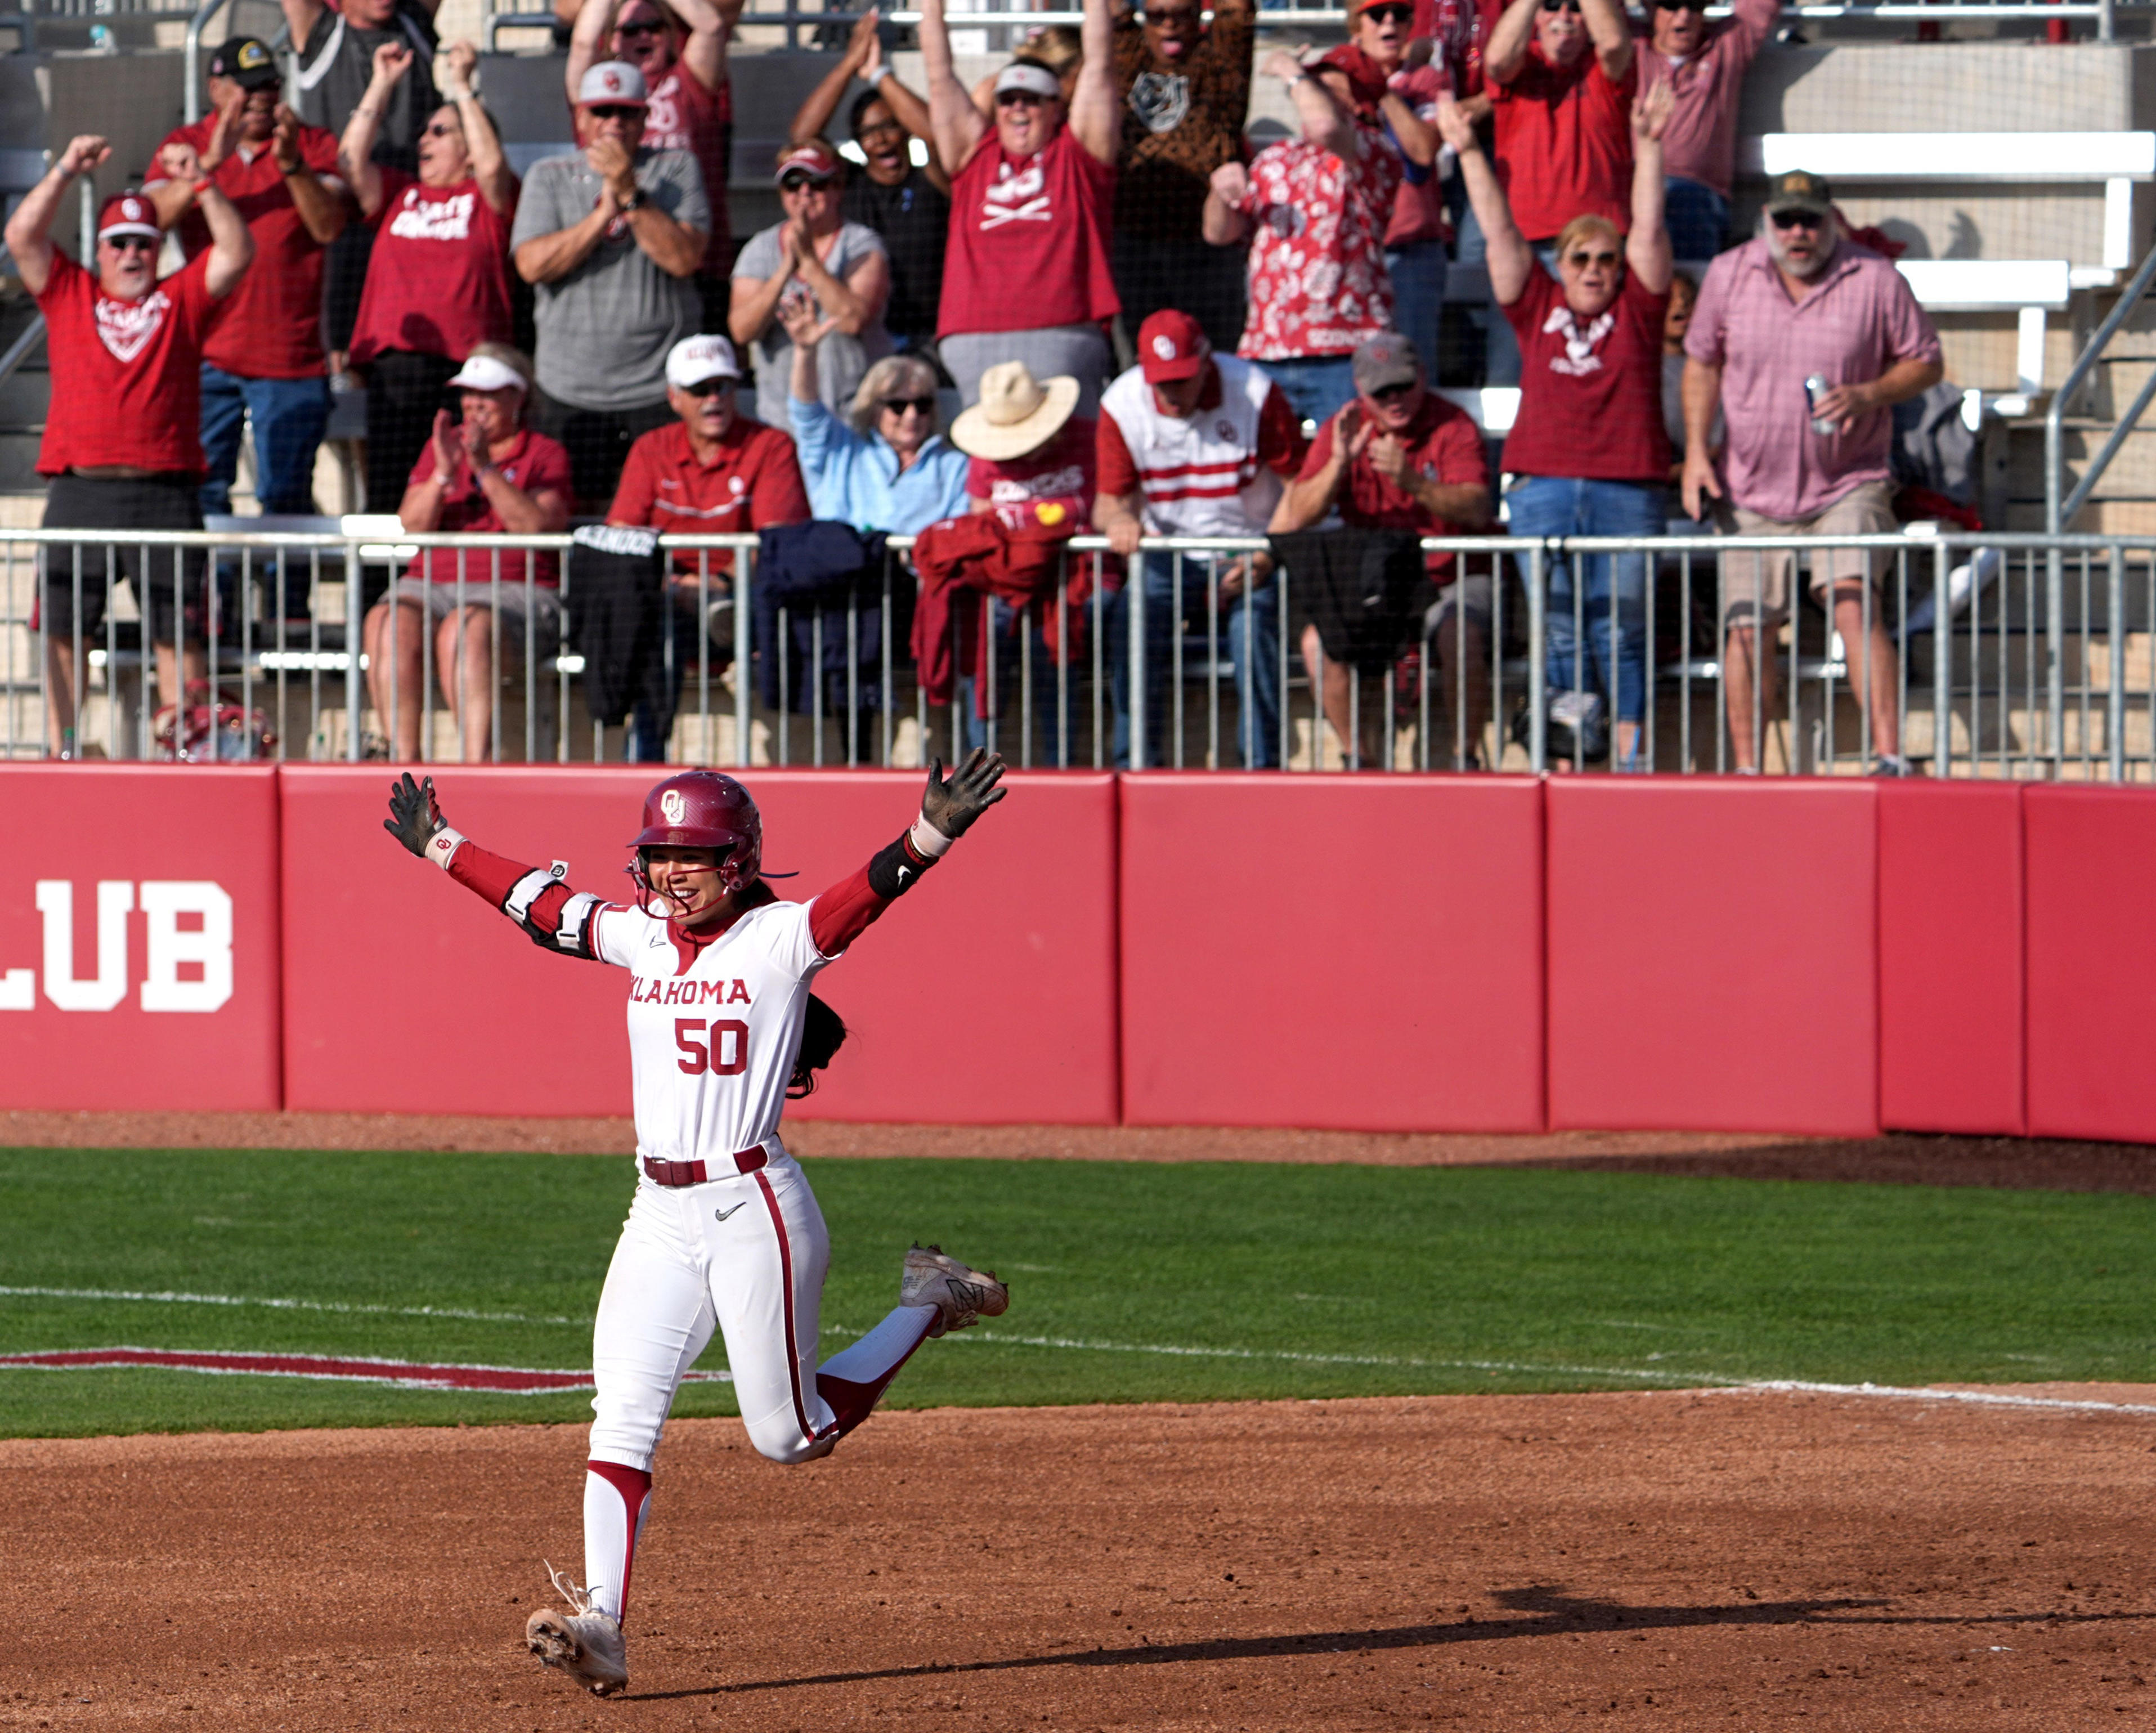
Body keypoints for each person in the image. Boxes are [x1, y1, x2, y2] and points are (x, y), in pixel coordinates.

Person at [380, 759, 1012, 1699]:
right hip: (658, 1212)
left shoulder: (778, 937)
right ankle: (601, 1625)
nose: (672, 872)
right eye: (660, 854)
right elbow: (543, 907)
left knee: (791, 1437)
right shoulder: (642, 935)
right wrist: (443, 845)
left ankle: (929, 1301)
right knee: (621, 1414)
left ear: (740, 857)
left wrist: (928, 835)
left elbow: (858, 899)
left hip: (755, 1208)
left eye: (694, 855)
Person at [1682, 169, 1944, 777]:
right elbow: (1701, 364)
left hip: (1848, 480)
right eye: (1786, 220)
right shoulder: (1728, 274)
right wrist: (1697, 450)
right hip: (1749, 486)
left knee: (1853, 603)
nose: (1798, 233)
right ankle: (1748, 770)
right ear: (1766, 221)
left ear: (1833, 221)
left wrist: (1869, 394)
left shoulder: (1876, 278)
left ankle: (1889, 756)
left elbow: (1926, 362)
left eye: (1810, 220)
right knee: (1747, 625)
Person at [1444, 81, 1674, 771]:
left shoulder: (1640, 307)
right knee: (1560, 631)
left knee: (1623, 631)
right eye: (1582, 258)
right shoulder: (1535, 299)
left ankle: (1630, 760)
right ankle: (1568, 759)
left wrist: (1649, 145)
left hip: (1627, 488)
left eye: (1607, 258)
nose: (1596, 270)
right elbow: (1499, 231)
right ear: (1562, 266)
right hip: (1541, 488)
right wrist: (1466, 153)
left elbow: (1652, 229)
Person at [6, 140, 253, 760]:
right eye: (119, 243)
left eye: (144, 242)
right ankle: (64, 748)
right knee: (63, 630)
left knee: (179, 632)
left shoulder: (182, 300)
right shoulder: (70, 292)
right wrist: (63, 170)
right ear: (100, 251)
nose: (132, 254)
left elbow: (236, 252)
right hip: (80, 488)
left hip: (164, 492)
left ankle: (186, 751)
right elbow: (22, 236)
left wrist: (202, 184)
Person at [145, 37, 347, 519]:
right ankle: (210, 596)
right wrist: (208, 165)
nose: (260, 98)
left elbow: (329, 227)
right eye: (247, 88)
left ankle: (285, 598)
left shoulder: (313, 143)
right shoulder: (187, 145)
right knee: (201, 490)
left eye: (270, 87)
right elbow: (149, 222)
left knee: (285, 497)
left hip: (289, 358)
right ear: (216, 89)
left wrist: (292, 164)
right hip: (205, 355)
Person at [1269, 332, 1491, 769]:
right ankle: (1359, 760)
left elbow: (1478, 508)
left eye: (1403, 386)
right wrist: (1338, 463)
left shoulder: (1454, 424)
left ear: (1422, 376)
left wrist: (1413, 482)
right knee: (1316, 644)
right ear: (1360, 389)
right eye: (1381, 391)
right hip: (1374, 585)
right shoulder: (1343, 428)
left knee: (1457, 631)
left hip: (1445, 577)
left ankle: (1465, 758)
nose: (1394, 400)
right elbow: (1297, 513)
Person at [1096, 308, 1305, 768]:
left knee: (1254, 630)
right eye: (1162, 381)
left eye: (1182, 378)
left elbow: (1299, 488)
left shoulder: (1254, 390)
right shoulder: (1121, 402)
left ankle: (1261, 768)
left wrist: (1269, 552)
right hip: (1168, 550)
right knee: (1132, 622)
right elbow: (1107, 502)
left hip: (1250, 544)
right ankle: (1135, 765)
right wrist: (1119, 521)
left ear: (1206, 361)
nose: (1172, 392)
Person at [513, 61, 711, 514]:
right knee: (570, 519)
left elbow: (683, 259)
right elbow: (532, 265)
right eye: (602, 112)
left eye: (626, 113)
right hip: (568, 389)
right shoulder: (549, 175)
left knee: (655, 518)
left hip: (655, 390)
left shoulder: (677, 170)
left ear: (645, 118)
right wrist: (603, 214)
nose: (613, 124)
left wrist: (629, 192)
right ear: (581, 117)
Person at [363, 344, 572, 763]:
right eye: (467, 394)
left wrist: (483, 468)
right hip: (432, 583)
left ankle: (476, 765)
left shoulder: (545, 452)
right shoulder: (441, 447)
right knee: (388, 621)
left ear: (518, 397)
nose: (474, 405)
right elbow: (412, 525)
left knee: (466, 628)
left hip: (515, 588)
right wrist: (443, 472)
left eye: (488, 394)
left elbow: (534, 525)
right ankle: (402, 767)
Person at [607, 334, 812, 758]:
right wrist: (678, 587)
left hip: (744, 593)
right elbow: (621, 539)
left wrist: (716, 582)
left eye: (723, 386)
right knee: (649, 627)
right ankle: (643, 761)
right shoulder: (650, 449)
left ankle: (775, 769)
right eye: (700, 389)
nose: (713, 399)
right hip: (667, 597)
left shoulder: (771, 446)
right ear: (674, 397)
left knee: (763, 604)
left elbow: (774, 545)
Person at [343, 39, 520, 516]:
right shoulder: (401, 193)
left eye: (440, 132)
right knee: (390, 492)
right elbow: (349, 163)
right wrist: (381, 84)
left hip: (468, 371)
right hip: (397, 369)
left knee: (461, 490)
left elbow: (492, 166)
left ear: (469, 144)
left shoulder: (488, 199)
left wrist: (462, 88)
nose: (424, 140)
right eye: (424, 132)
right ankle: (382, 591)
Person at [920, 0, 1122, 417]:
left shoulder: (1078, 154)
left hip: (1062, 330)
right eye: (1007, 100)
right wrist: (930, 8)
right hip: (974, 332)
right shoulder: (973, 156)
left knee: (1065, 461)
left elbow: (1100, 64)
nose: (1017, 109)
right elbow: (939, 78)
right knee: (993, 470)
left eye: (1031, 100)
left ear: (1056, 108)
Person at [1202, 51, 1405, 427]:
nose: (1309, 93)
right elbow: (1219, 234)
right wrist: (1220, 193)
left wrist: (1288, 70)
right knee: (1265, 475)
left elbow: (1327, 126)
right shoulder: (1275, 158)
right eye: (1311, 85)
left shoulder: (1371, 152)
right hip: (1267, 350)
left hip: (1345, 353)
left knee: (1349, 470)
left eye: (1326, 88)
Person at [565, 0, 745, 327]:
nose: (643, 36)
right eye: (630, 30)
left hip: (694, 256)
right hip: (616, 263)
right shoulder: (597, 92)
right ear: (613, 41)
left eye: (655, 27)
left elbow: (712, 27)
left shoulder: (690, 81)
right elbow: (583, 42)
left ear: (672, 35)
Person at [789, 11, 951, 363]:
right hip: (865, 337)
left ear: (906, 129)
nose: (880, 140)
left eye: (890, 126)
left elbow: (938, 134)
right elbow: (802, 139)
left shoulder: (932, 178)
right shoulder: (849, 182)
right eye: (867, 133)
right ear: (858, 143)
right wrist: (849, 64)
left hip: (930, 338)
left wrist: (880, 76)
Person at [281, 0, 439, 360]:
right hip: (341, 216)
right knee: (344, 347)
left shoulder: (413, 22)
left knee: (410, 345)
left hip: (407, 210)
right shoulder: (321, 33)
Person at [1108, 0, 1254, 354]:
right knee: (1146, 361)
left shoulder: (1218, 64)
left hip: (1204, 245)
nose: (1170, 26)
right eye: (1158, 16)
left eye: (1182, 15)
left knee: (1214, 359)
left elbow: (1236, 13)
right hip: (1136, 244)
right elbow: (1111, 15)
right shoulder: (1130, 60)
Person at [729, 140, 892, 433]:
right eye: (794, 184)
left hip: (852, 420)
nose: (805, 193)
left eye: (817, 183)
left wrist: (809, 262)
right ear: (782, 194)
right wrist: (783, 272)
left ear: (837, 189)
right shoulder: (760, 249)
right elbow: (742, 330)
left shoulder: (861, 245)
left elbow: (853, 319)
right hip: (782, 423)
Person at [1329, 0, 1451, 374]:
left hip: (1411, 252)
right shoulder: (1335, 74)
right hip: (1350, 252)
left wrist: (1381, 90)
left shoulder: (1427, 81)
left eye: (1400, 14)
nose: (1389, 22)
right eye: (1377, 14)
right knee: (1350, 377)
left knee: (1411, 374)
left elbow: (1423, 149)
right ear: (1357, 24)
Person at [782, 299, 970, 533]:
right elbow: (806, 411)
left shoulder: (955, 467)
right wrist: (805, 351)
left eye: (922, 405)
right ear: (874, 408)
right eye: (898, 406)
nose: (912, 415)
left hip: (918, 568)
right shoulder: (839, 450)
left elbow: (957, 534)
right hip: (845, 567)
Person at [1634, 0, 1780, 263]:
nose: (1685, 15)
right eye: (1671, 5)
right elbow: (1602, 17)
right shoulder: (1630, 48)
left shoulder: (1727, 45)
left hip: (1697, 198)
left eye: (1696, 5)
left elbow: (1763, 5)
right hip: (1634, 193)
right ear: (1650, 8)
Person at [1483, 0, 1635, 250]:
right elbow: (1498, 60)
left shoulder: (1606, 67)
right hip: (1526, 238)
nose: (1564, 15)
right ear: (1536, 17)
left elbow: (1613, 43)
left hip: (1600, 240)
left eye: (1577, 7)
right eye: (1552, 4)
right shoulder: (1522, 63)